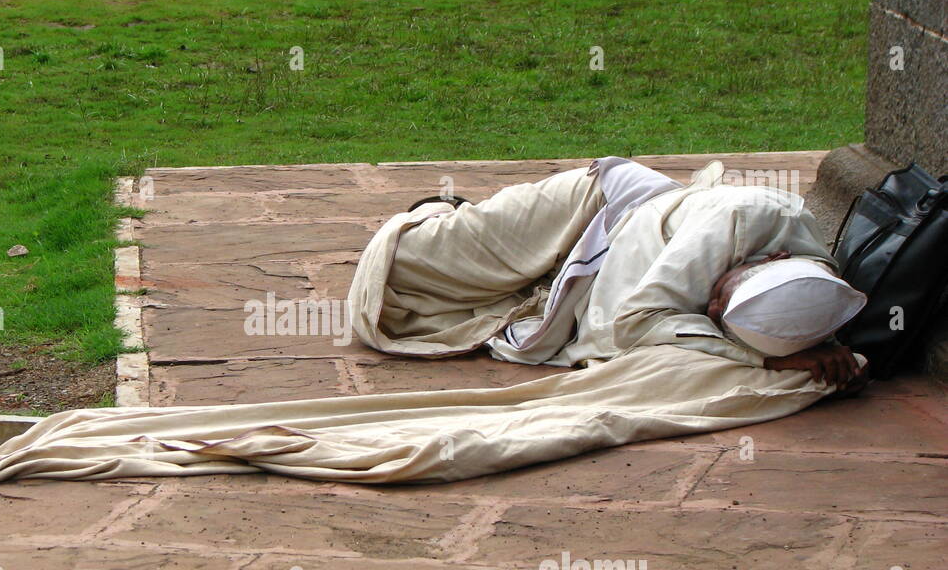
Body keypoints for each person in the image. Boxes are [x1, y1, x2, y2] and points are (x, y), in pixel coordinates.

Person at [350, 157, 868, 395]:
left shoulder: (806, 296)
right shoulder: (739, 222)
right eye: (719, 297)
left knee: (454, 309)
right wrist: (751, 354)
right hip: (593, 209)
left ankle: (539, 282)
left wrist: (772, 350)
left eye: (721, 320)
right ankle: (443, 211)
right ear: (769, 260)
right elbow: (638, 322)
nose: (709, 312)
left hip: (592, 275)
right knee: (394, 269)